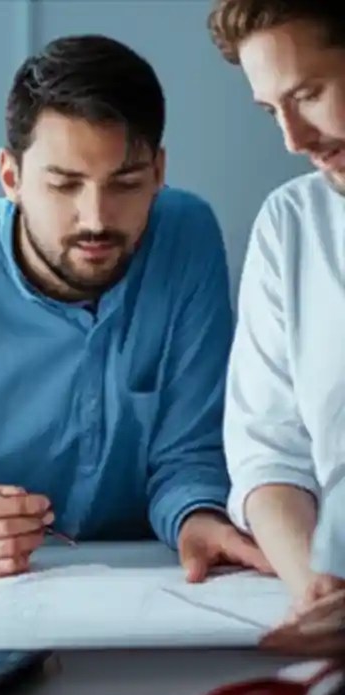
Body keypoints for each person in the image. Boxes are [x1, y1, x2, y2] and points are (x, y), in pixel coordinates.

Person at [0, 34, 271, 580]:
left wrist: (197, 517)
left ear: (158, 171)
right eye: (64, 185)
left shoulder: (185, 237)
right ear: (11, 177)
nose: (96, 218)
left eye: (125, 184)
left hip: (148, 585)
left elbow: (190, 449)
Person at [208, 0, 345, 634]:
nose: (294, 140)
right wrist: (316, 592)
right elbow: (269, 457)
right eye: (271, 111)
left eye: (309, 95)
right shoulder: (293, 224)